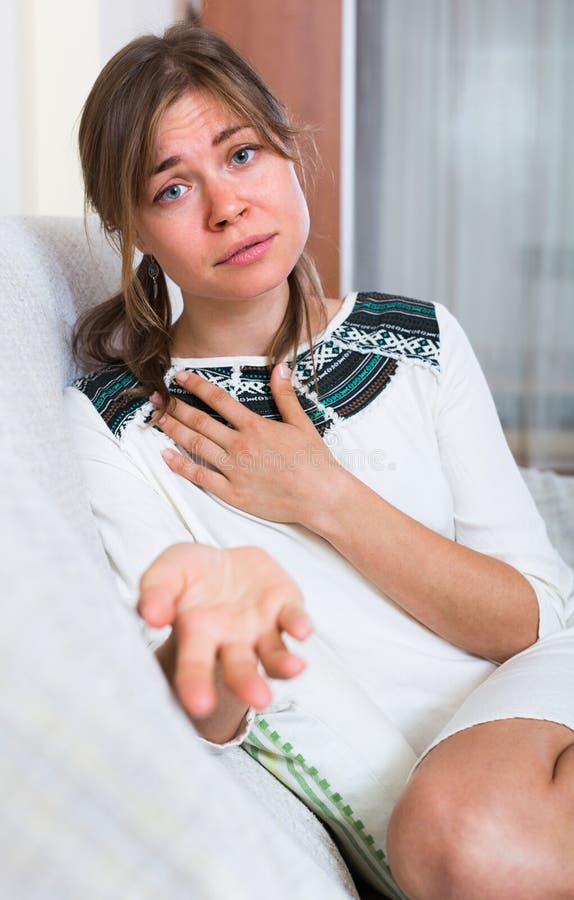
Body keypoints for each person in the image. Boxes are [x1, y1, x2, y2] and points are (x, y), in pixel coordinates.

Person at [64, 22, 574, 900]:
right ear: (131, 228)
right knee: (464, 837)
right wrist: (217, 642)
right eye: (174, 188)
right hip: (456, 827)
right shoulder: (119, 430)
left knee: (466, 829)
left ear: (291, 153)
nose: (228, 206)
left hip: (542, 714)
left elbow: (535, 618)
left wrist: (325, 497)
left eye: (244, 155)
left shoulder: (419, 341)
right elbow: (205, 723)